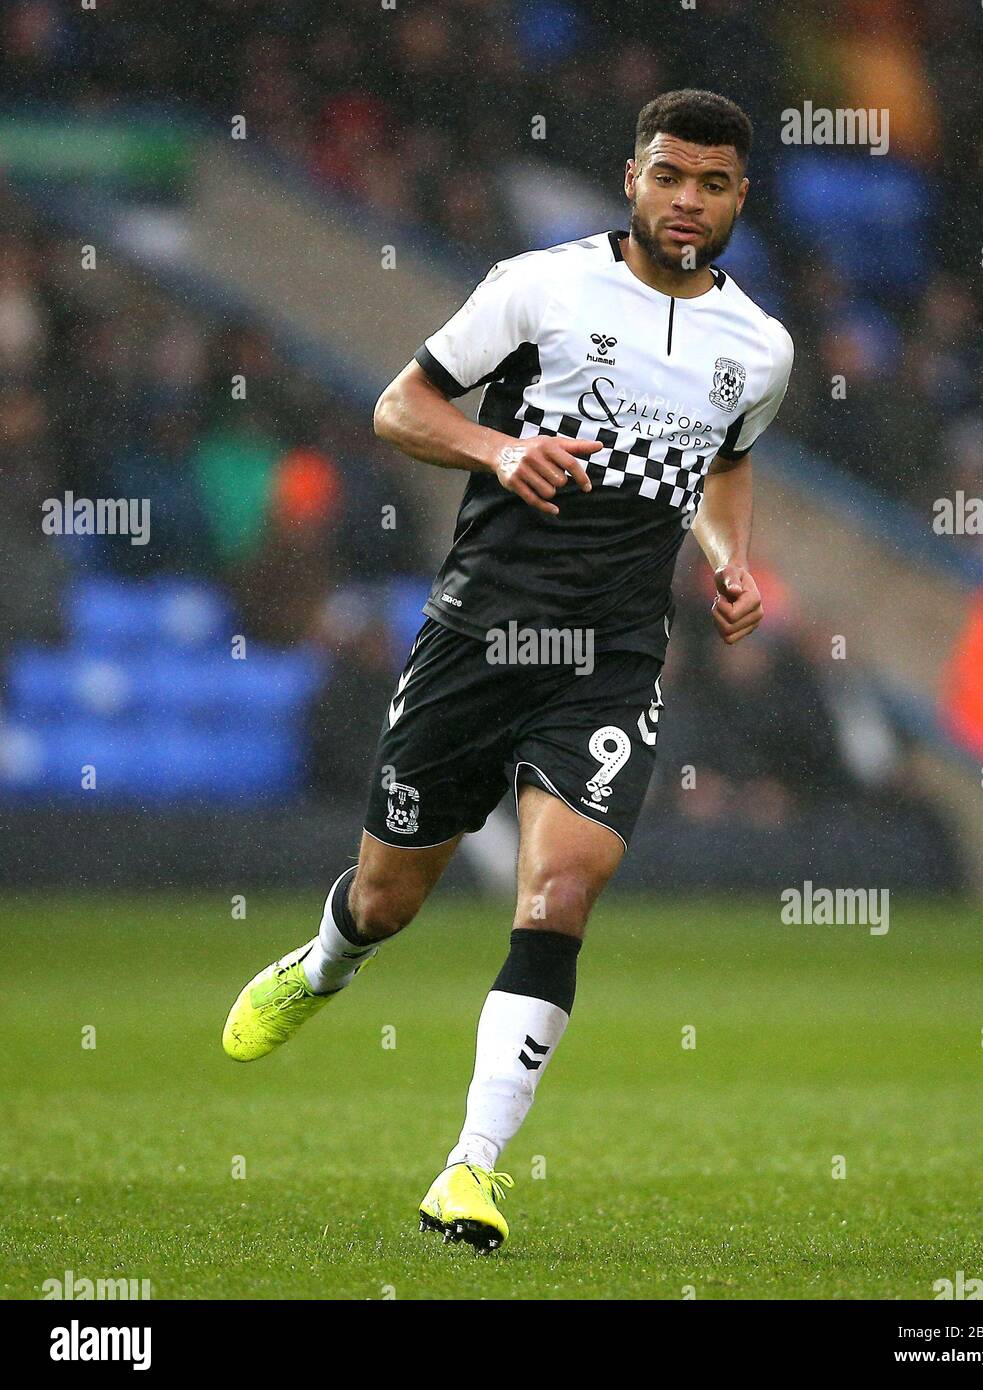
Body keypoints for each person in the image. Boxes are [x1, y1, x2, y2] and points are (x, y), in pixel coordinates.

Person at [221, 89, 794, 1253]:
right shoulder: (537, 286)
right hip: (477, 638)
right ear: (630, 176)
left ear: (740, 197)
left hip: (610, 657)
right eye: (669, 177)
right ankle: (325, 961)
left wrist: (731, 562)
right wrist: (497, 445)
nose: (688, 202)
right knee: (388, 898)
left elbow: (723, 469)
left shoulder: (761, 348)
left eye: (714, 184)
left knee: (559, 893)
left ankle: (467, 1171)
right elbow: (401, 404)